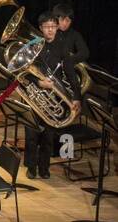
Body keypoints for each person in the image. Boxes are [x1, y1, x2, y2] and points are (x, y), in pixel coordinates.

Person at [24, 11, 81, 179]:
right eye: (47, 27)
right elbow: (24, 72)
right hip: (35, 95)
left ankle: (44, 168)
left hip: (53, 97)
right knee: (32, 135)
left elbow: (70, 73)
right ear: (41, 28)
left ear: (57, 28)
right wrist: (38, 82)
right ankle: (31, 167)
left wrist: (76, 97)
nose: (50, 30)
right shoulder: (33, 45)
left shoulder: (63, 47)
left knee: (48, 136)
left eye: (53, 27)